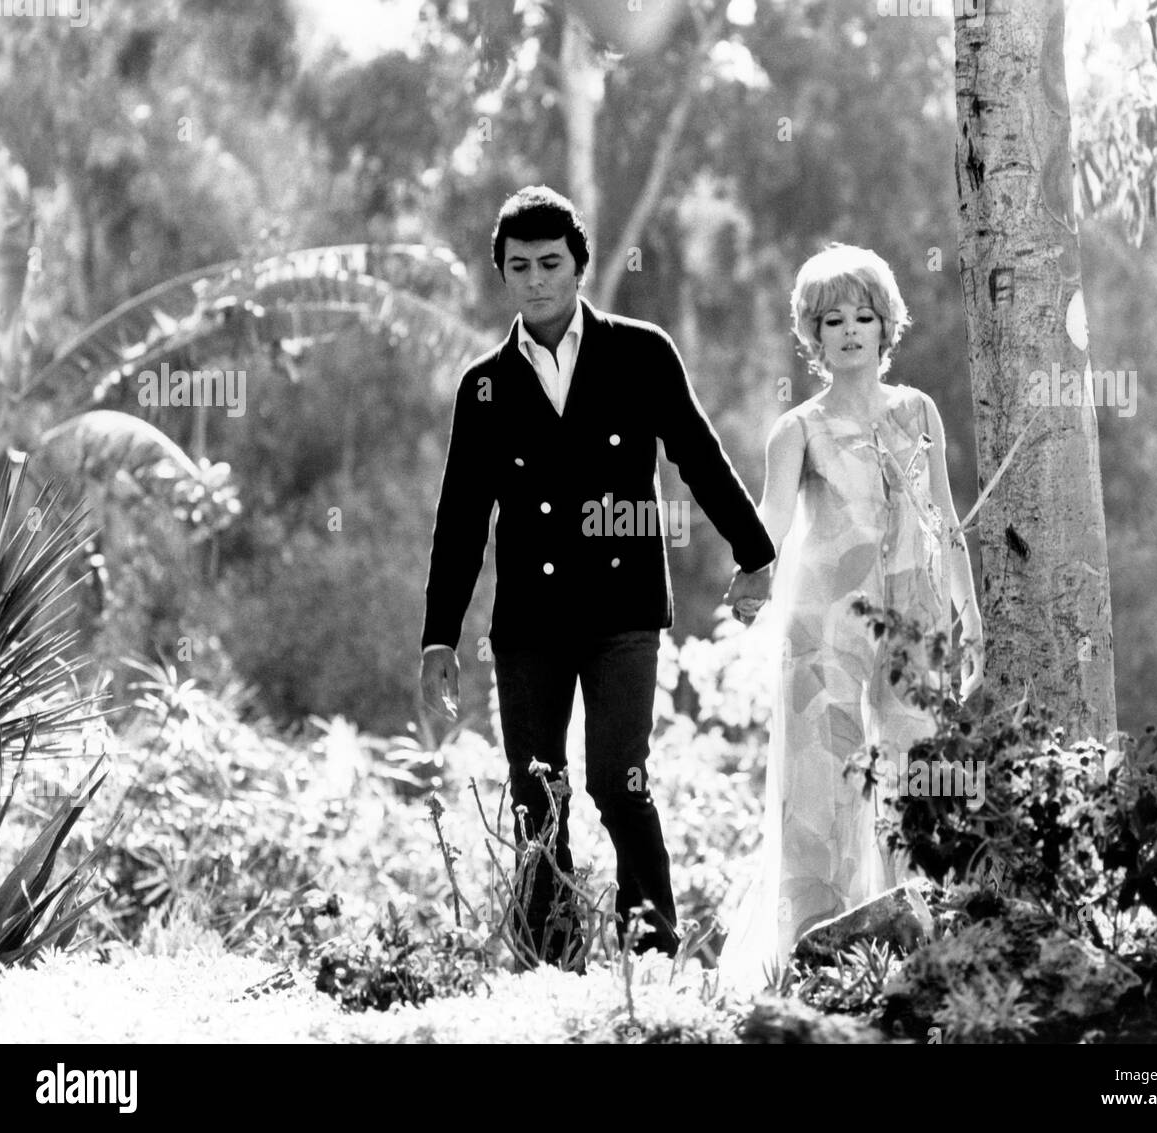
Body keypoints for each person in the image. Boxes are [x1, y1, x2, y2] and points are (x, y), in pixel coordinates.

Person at [419, 186, 774, 967]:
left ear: (579, 266)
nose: (537, 279)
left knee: (621, 781)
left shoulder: (641, 352)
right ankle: (552, 960)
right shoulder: (483, 384)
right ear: (503, 275)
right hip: (530, 622)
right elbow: (461, 516)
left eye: (552, 262)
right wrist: (439, 635)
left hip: (623, 610)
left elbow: (698, 455)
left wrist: (756, 552)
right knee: (536, 795)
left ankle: (651, 949)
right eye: (520, 266)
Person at [718, 243, 983, 990]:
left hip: (918, 614)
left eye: (864, 315)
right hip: (823, 622)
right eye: (831, 318)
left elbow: (947, 517)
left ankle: (922, 941)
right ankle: (813, 963)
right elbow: (768, 520)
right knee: (821, 788)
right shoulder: (796, 429)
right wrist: (748, 575)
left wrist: (969, 607)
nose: (850, 330)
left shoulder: (920, 411)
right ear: (812, 333)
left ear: (886, 323)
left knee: (919, 770)